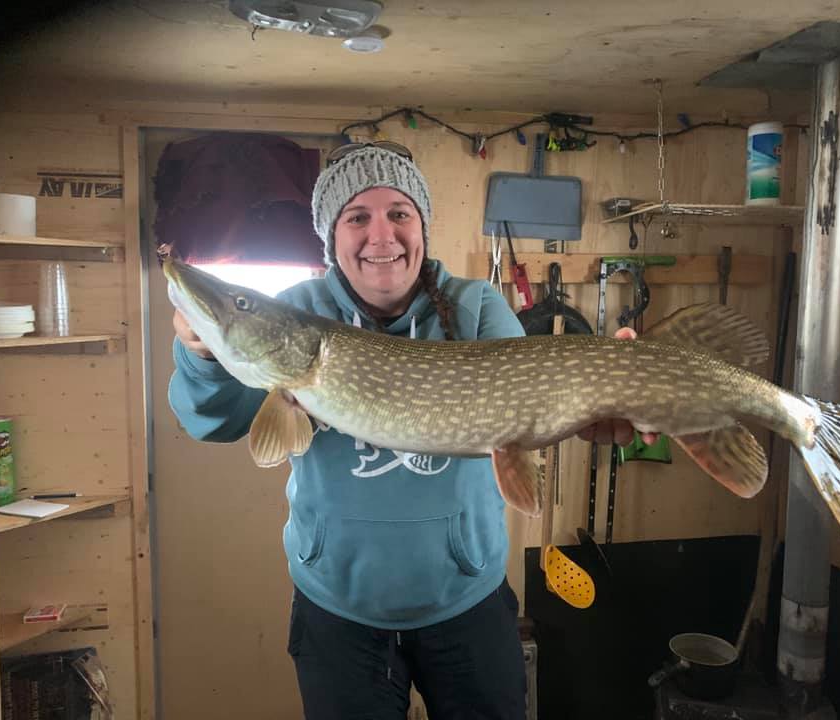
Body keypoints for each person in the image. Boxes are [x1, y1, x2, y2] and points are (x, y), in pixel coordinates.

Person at [168, 142, 653, 720]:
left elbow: (524, 408)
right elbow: (211, 420)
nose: (382, 236)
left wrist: (599, 393)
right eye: (358, 217)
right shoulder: (297, 312)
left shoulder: (476, 306)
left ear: (421, 225)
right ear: (331, 235)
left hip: (466, 602)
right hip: (338, 612)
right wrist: (200, 352)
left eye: (399, 213)